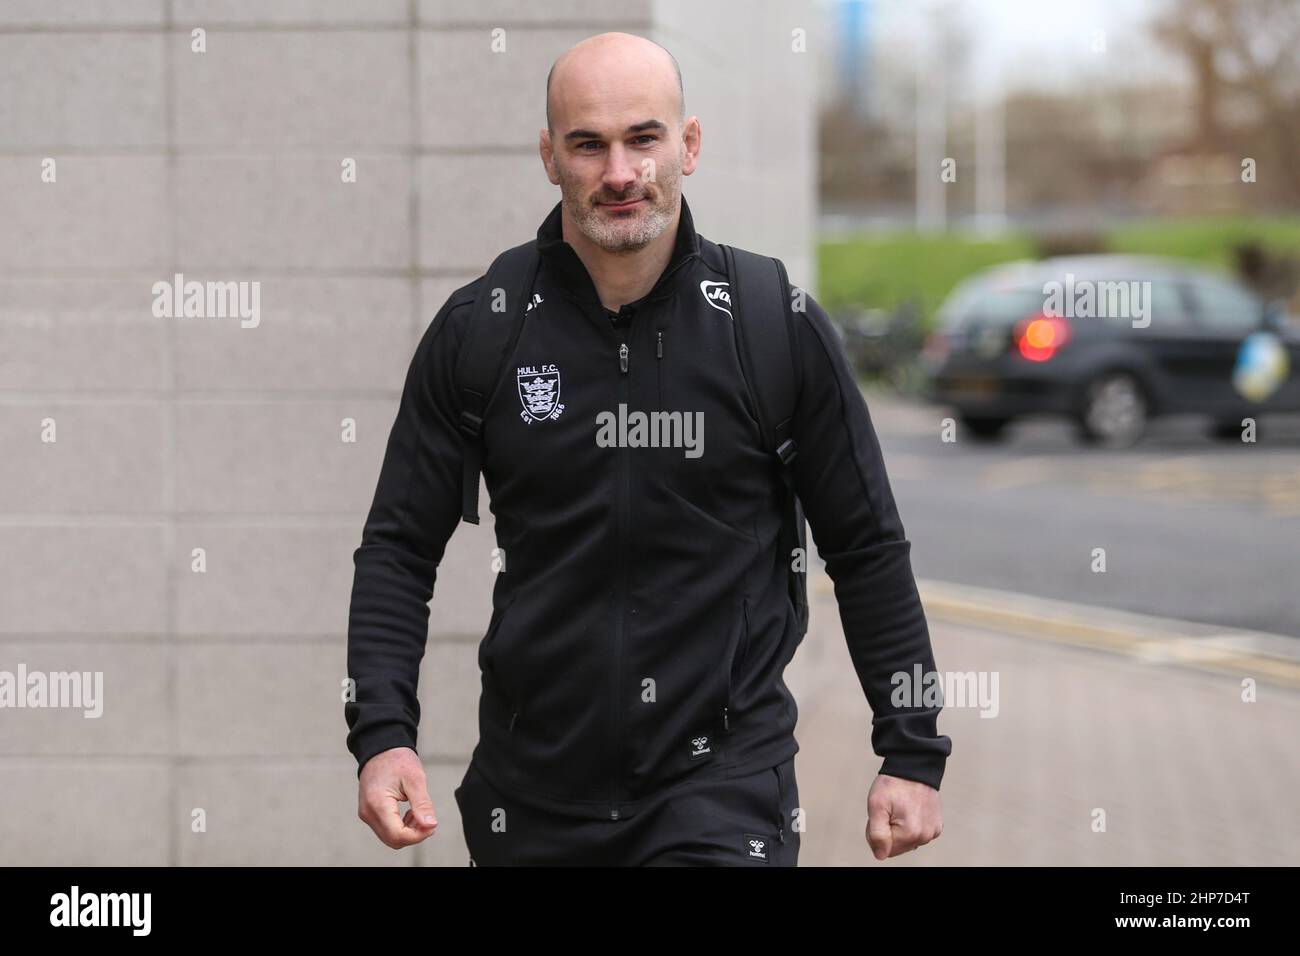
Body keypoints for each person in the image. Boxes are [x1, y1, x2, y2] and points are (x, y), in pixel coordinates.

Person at [346, 31, 950, 866]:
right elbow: (398, 550)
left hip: (721, 791)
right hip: (530, 798)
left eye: (645, 137)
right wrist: (383, 735)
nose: (621, 172)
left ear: (688, 145)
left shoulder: (772, 323)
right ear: (550, 158)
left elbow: (867, 545)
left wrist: (912, 749)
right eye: (588, 144)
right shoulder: (480, 331)